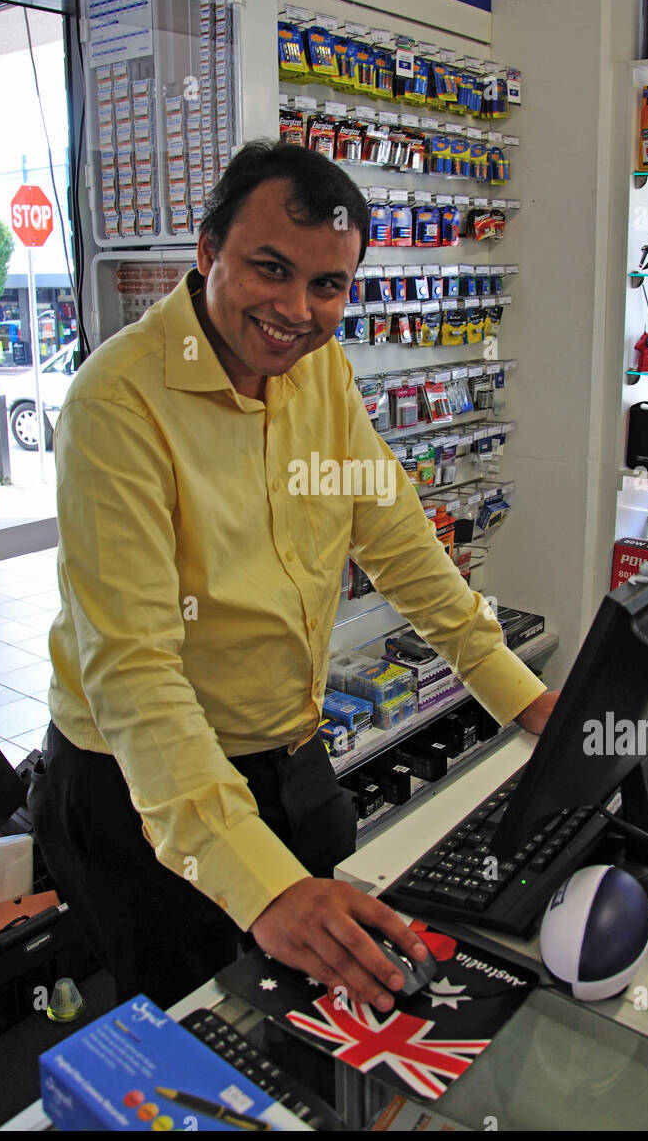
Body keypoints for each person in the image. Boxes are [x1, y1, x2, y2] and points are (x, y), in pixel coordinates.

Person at [29, 141, 558, 1013]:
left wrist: (522, 697)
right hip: (140, 785)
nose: (296, 309)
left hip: (292, 754)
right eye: (269, 269)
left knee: (314, 1008)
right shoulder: (115, 404)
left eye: (327, 285)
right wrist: (261, 886)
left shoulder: (320, 371)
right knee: (198, 1032)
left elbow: (395, 538)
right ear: (208, 253)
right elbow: (133, 670)